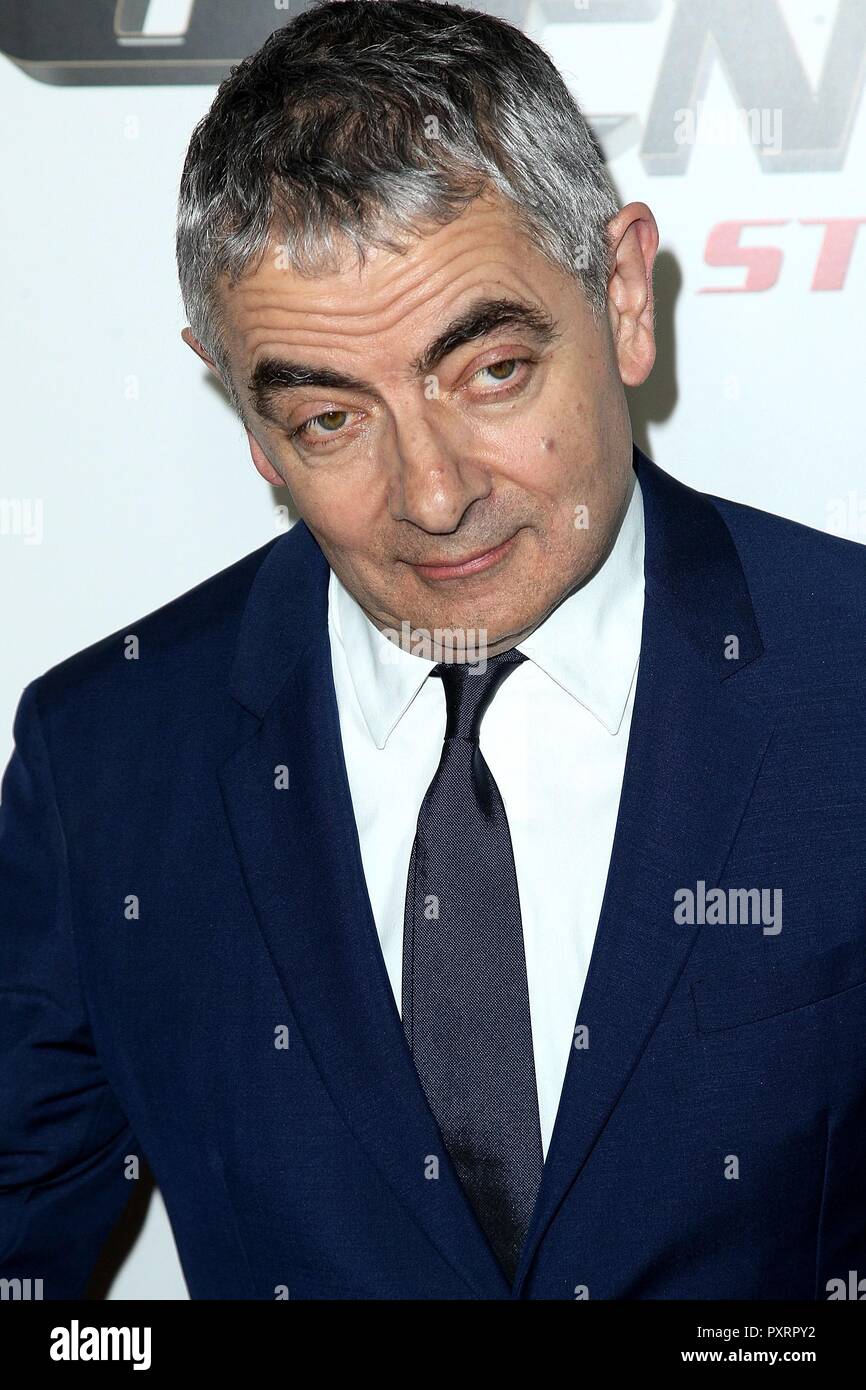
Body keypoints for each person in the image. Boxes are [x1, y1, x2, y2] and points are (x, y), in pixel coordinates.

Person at [1, 0, 864, 1301]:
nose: (433, 495)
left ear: (623, 294)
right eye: (331, 418)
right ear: (241, 404)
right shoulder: (108, 761)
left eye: (492, 371)